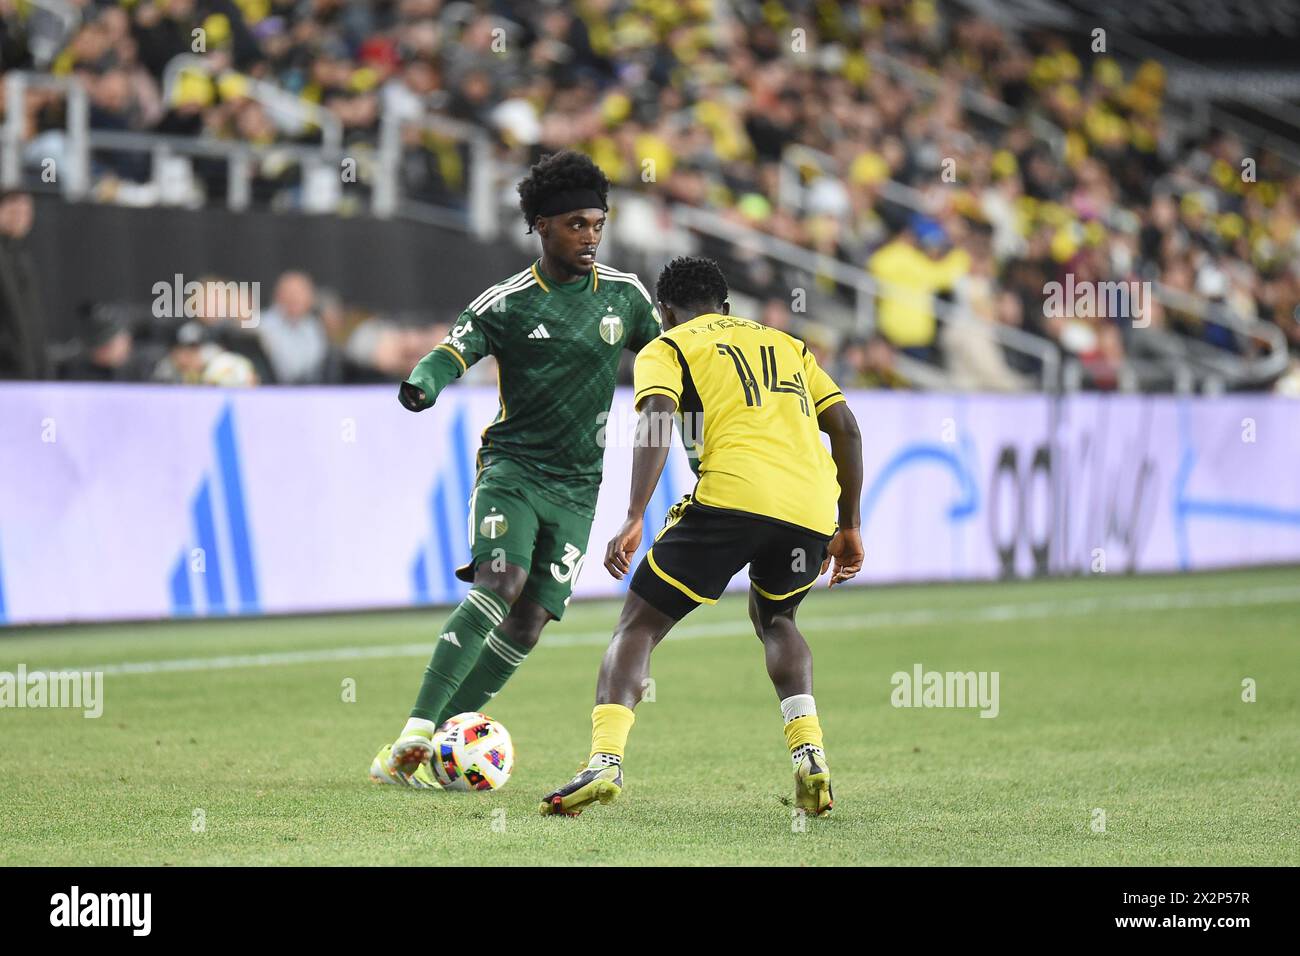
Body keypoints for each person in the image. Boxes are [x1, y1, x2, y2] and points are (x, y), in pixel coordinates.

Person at [369, 150, 664, 788]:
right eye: (575, 225)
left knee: (530, 621)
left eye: (597, 223)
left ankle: (441, 739)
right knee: (501, 583)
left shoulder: (625, 297)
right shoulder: (508, 302)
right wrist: (425, 381)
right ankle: (418, 730)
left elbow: (672, 359)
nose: (589, 237)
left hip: (579, 488)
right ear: (540, 225)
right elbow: (456, 347)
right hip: (514, 470)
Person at [538, 256, 864, 818]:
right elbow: (846, 428)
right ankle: (809, 751)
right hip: (810, 507)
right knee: (778, 621)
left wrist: (635, 511)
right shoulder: (789, 344)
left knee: (639, 623)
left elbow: (657, 415)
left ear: (665, 311)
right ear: (727, 306)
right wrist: (850, 523)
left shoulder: (667, 347)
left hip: (733, 498)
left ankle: (604, 763)